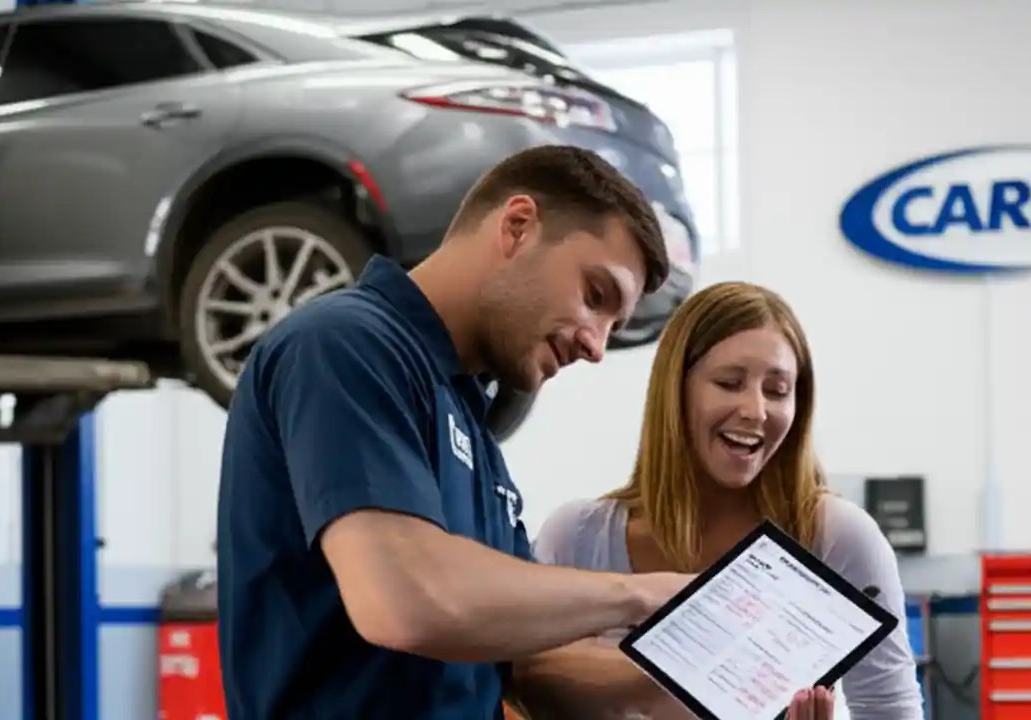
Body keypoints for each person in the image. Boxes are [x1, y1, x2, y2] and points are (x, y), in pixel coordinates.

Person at [214, 144, 715, 720]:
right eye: (595, 296)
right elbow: (403, 601)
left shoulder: (470, 425)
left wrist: (723, 679)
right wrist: (639, 594)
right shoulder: (344, 345)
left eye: (614, 325)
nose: (595, 345)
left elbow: (528, 665)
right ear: (519, 226)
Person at [533, 281, 926, 720]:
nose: (756, 410)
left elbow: (891, 707)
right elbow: (520, 680)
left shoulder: (838, 536)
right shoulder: (576, 536)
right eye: (729, 382)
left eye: (777, 391)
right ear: (675, 390)